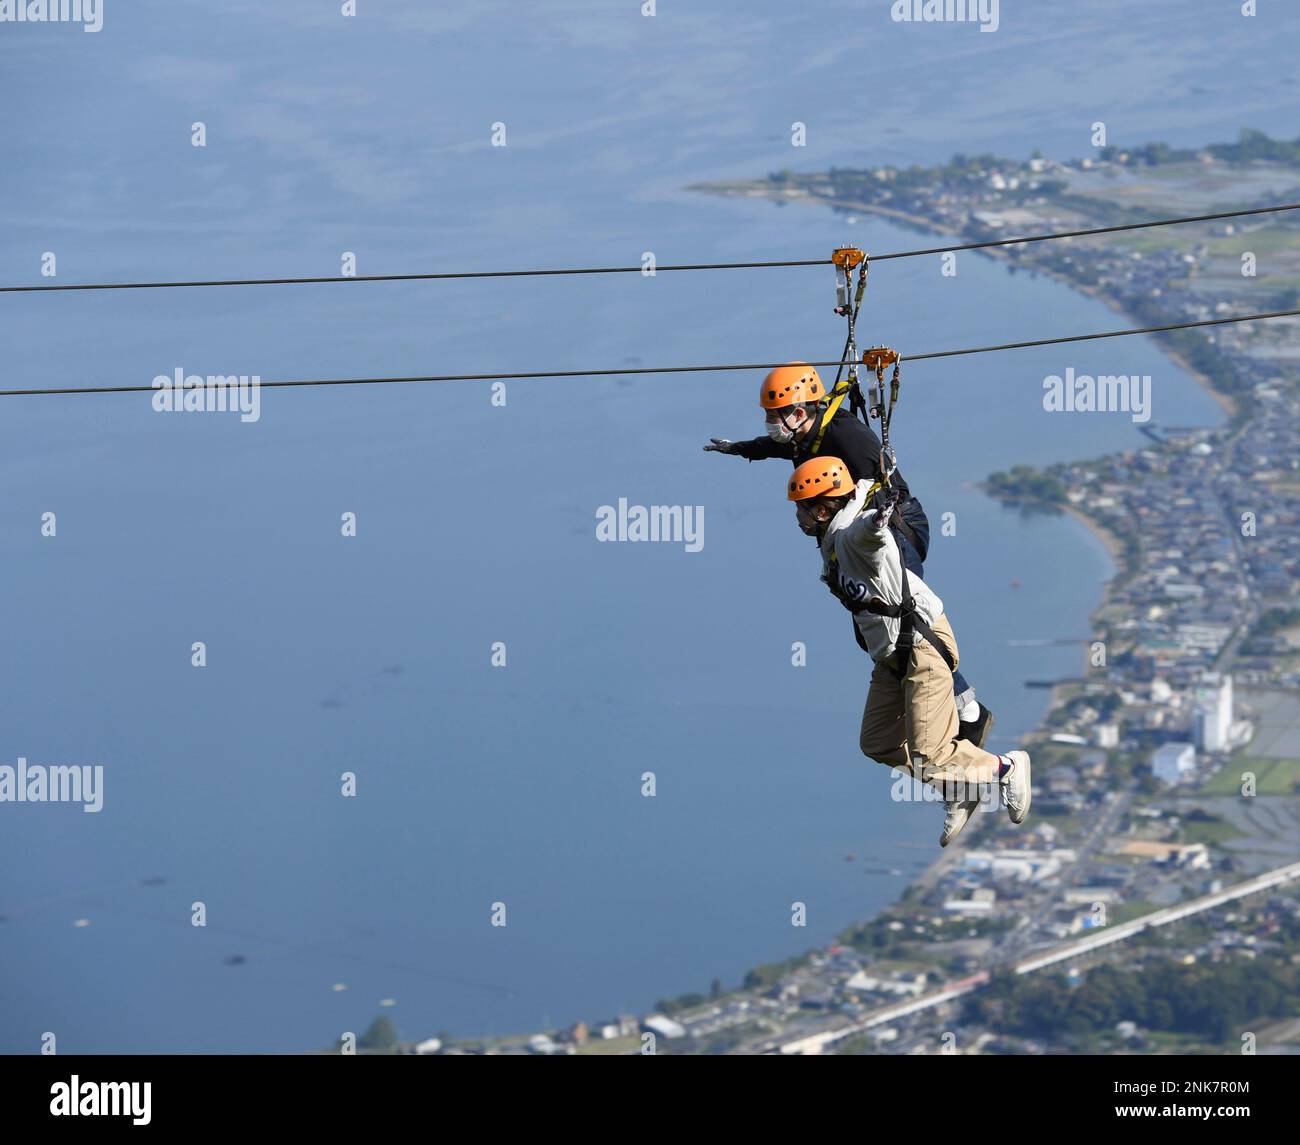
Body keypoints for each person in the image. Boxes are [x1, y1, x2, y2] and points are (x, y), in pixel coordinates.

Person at [706, 361, 994, 746]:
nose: (770, 423)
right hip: (863, 534)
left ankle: (967, 711)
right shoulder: (804, 434)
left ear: (797, 411)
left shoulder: (845, 434)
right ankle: (923, 698)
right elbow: (775, 447)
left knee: (907, 618)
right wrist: (738, 449)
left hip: (892, 527)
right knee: (870, 624)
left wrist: (865, 524)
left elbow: (883, 478)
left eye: (775, 415)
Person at [787, 455, 1031, 847]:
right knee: (878, 741)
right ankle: (960, 787)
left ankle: (1006, 768)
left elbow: (869, 534)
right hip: (892, 655)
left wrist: (878, 520)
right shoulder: (833, 537)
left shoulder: (852, 532)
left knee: (930, 751)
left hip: (923, 644)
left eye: (801, 509)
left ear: (820, 507)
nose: (796, 518)